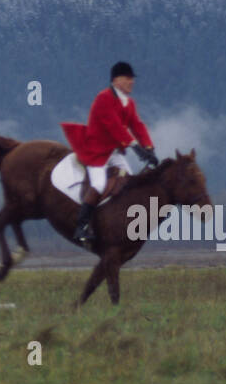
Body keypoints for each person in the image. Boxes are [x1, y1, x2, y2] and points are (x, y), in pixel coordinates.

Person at [61, 61, 157, 247]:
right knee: (99, 184)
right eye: (128, 79)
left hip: (114, 151)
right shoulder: (103, 99)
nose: (132, 82)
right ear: (116, 80)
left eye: (132, 79)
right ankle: (81, 226)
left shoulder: (129, 103)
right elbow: (114, 127)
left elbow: (137, 125)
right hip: (96, 151)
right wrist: (136, 147)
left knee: (128, 180)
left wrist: (149, 147)